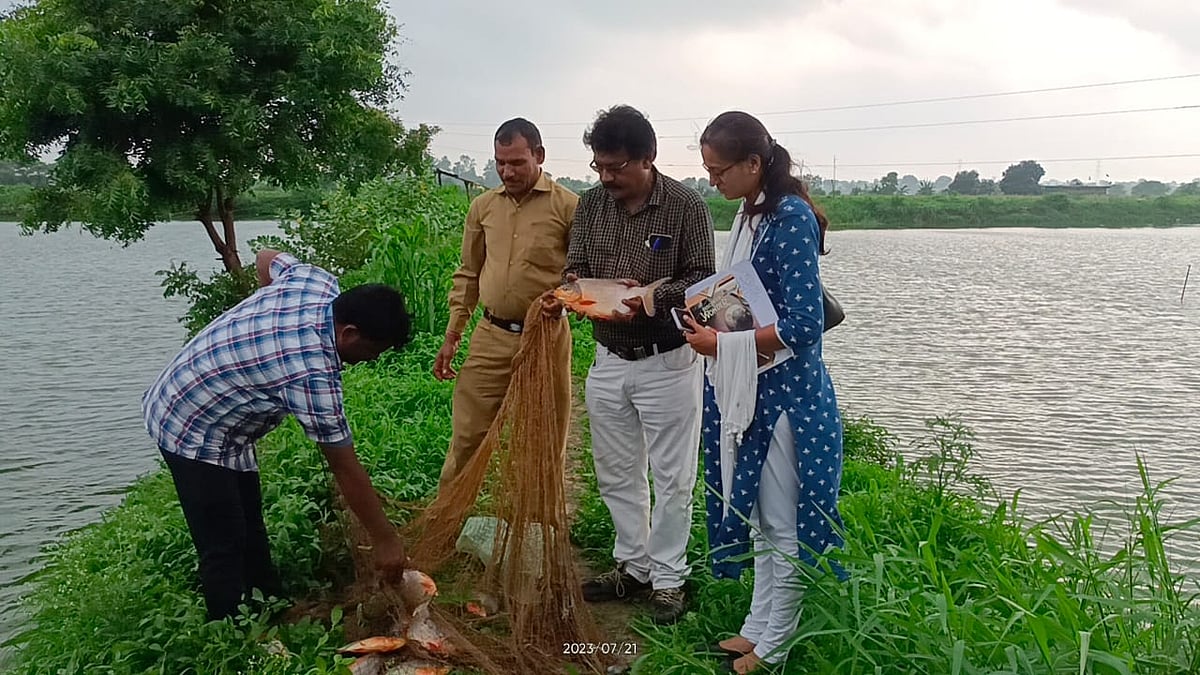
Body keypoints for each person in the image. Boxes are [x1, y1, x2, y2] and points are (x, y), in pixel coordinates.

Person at [141, 249, 412, 622]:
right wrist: (386, 540)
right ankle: (232, 637)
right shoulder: (310, 373)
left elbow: (267, 257)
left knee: (249, 522)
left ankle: (271, 606)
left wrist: (264, 321)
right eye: (372, 351)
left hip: (225, 423)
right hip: (188, 421)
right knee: (223, 540)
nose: (372, 360)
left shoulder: (317, 284)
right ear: (349, 333)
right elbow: (345, 467)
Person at [682, 111, 844, 673]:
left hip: (786, 396)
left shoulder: (791, 218)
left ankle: (777, 643)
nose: (712, 181)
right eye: (706, 169)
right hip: (756, 384)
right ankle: (758, 627)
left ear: (754, 163)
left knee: (783, 521)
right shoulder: (753, 214)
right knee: (761, 517)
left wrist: (720, 344)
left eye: (720, 169)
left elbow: (803, 324)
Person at [544, 104, 715, 625]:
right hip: (609, 358)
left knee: (672, 476)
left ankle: (669, 579)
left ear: (648, 158)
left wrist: (653, 294)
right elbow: (576, 267)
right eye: (599, 166)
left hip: (667, 358)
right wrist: (574, 292)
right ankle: (632, 566)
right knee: (617, 472)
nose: (607, 177)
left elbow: (703, 278)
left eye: (617, 166)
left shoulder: (685, 206)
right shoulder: (592, 205)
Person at [433, 118, 578, 490]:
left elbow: (581, 275)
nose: (506, 171)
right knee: (467, 434)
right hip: (490, 334)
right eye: (500, 162)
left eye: (516, 162)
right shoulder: (483, 207)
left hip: (544, 337)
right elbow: (468, 273)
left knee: (545, 436)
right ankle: (445, 520)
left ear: (539, 155)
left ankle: (540, 525)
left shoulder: (568, 207)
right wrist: (452, 335)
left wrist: (563, 299)